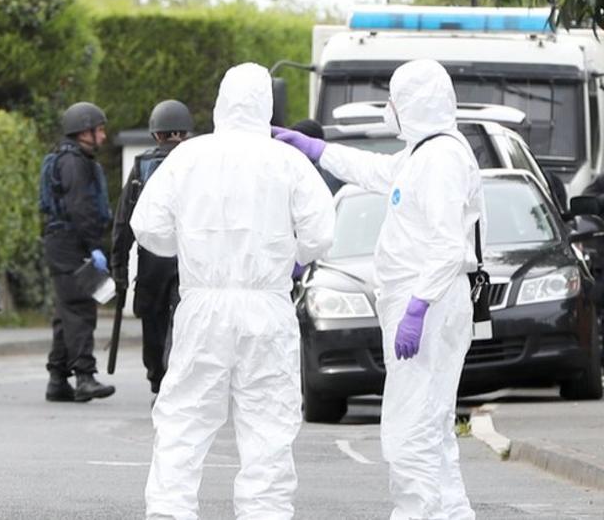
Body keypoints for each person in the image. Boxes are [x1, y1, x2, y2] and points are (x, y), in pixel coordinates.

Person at [276, 59, 484, 520]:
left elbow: (448, 245)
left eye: (394, 100)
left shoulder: (442, 159)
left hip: (427, 306)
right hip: (426, 303)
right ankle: (450, 514)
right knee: (431, 425)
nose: (389, 108)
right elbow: (375, 171)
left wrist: (417, 306)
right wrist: (317, 149)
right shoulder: (424, 154)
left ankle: (416, 513)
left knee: (409, 427)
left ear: (412, 104)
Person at [132, 64, 335, 520]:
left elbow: (147, 227)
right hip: (267, 304)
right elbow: (322, 233)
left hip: (203, 301)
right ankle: (265, 511)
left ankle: (170, 510)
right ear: (267, 105)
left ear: (221, 102)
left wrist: (186, 249)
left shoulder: (187, 157)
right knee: (268, 418)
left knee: (185, 413)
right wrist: (291, 255)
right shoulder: (288, 161)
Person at [111, 99, 193, 398]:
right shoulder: (199, 163)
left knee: (153, 319)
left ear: (156, 134)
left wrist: (118, 269)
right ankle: (175, 376)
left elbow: (124, 222)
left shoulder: (141, 166)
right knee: (183, 321)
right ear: (186, 132)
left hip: (152, 260)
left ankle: (158, 379)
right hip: (190, 258)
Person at [39, 102, 116, 403]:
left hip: (64, 242)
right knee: (81, 309)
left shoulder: (70, 159)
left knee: (66, 311)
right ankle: (85, 377)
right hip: (72, 243)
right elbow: (80, 208)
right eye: (100, 130)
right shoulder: (74, 163)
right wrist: (94, 246)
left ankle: (58, 378)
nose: (104, 136)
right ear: (85, 132)